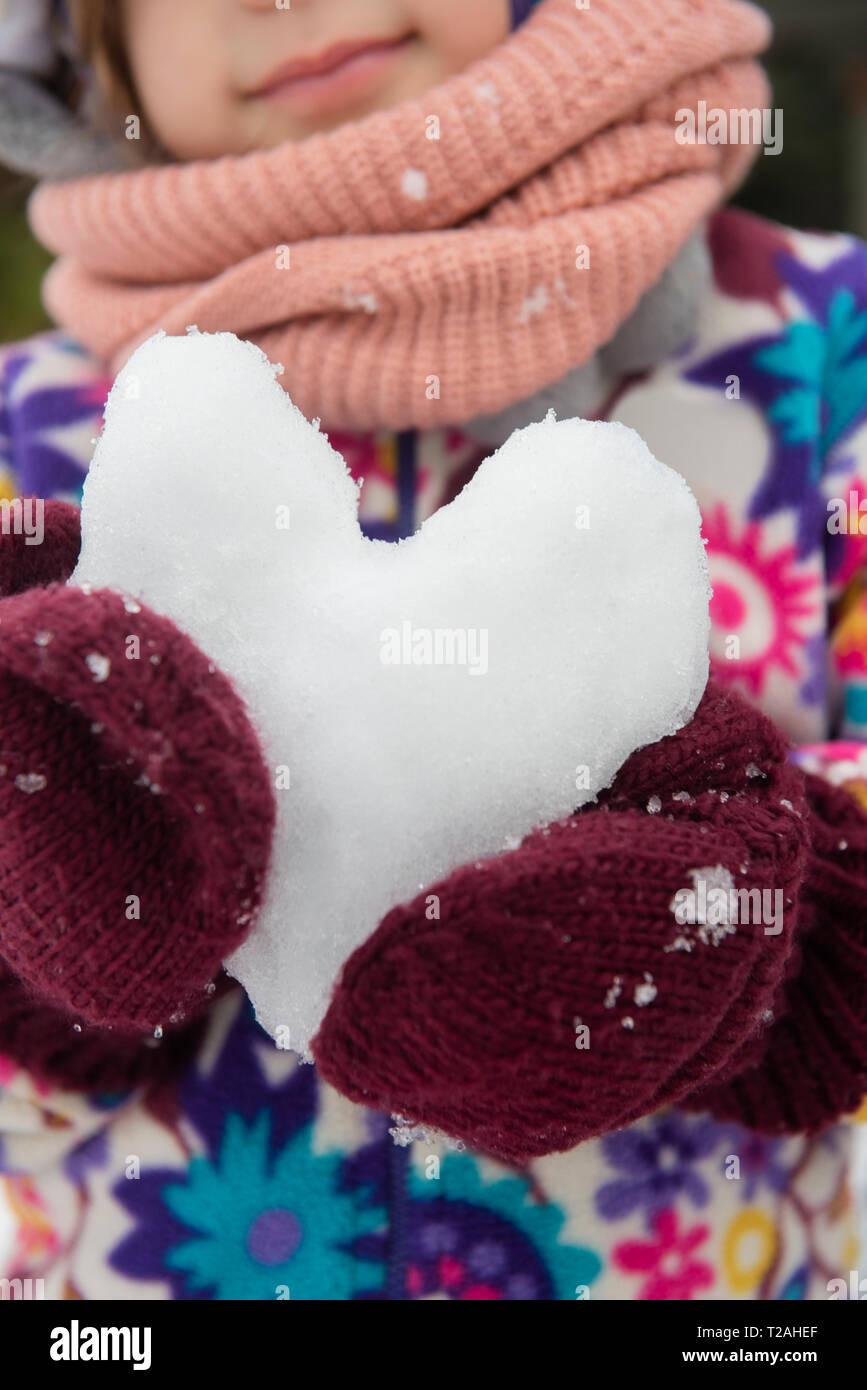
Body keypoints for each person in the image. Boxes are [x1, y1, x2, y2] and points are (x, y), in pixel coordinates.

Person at [0, 0, 866, 1302]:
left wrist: (751, 911)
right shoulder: (32, 438)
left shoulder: (825, 354)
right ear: (87, 45)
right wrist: (58, 901)